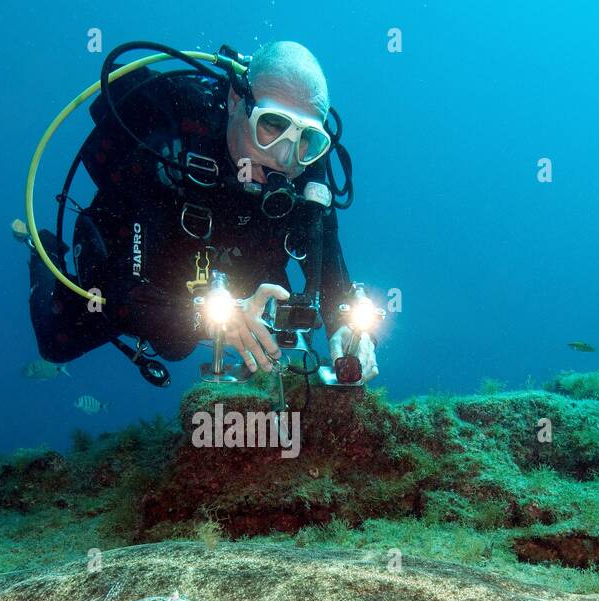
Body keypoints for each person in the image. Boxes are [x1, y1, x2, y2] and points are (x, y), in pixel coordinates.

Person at [27, 40, 379, 383]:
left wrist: (346, 328)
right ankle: (41, 253)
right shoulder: (171, 146)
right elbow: (120, 292)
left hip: (234, 267)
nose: (285, 157)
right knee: (60, 343)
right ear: (236, 98)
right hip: (148, 263)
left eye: (307, 138)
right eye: (272, 124)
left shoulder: (307, 173)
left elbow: (334, 284)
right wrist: (199, 316)